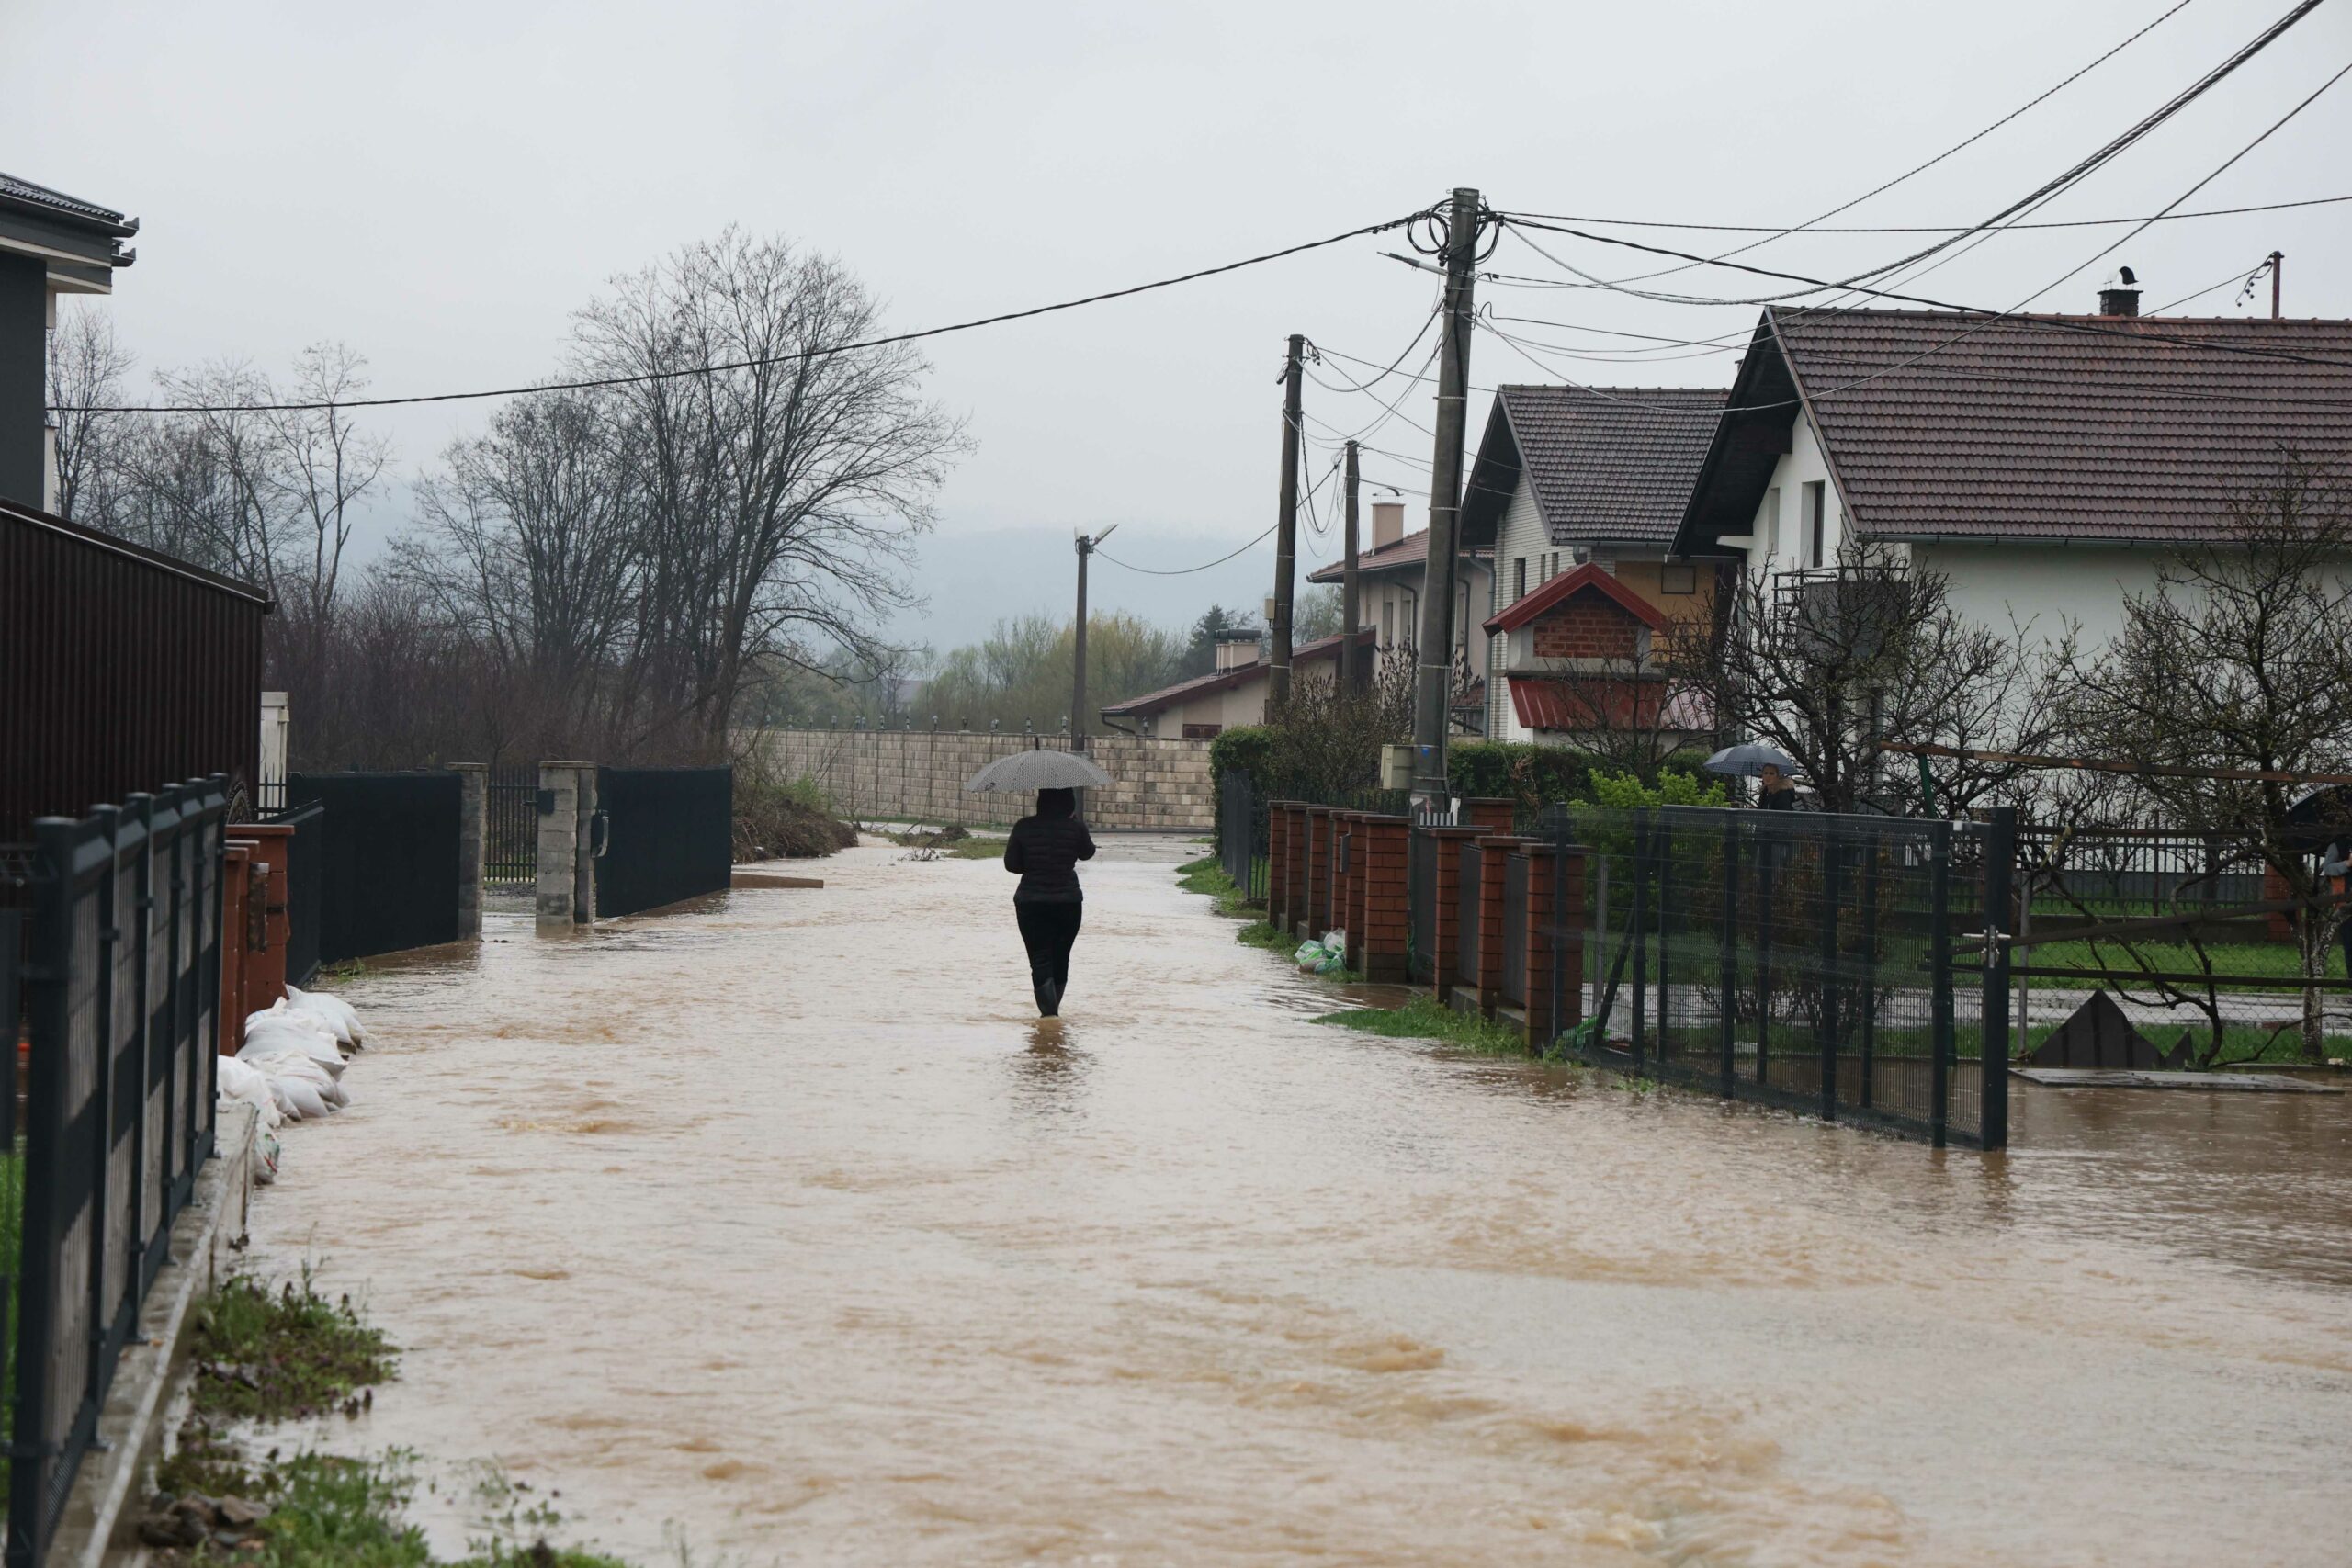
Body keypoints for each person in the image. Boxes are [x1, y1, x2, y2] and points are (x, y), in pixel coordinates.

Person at [1003, 787, 1096, 1017]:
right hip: (1068, 902)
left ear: (1041, 801)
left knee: (1040, 960)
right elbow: (1087, 853)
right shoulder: (1076, 827)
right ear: (1069, 803)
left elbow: (1012, 865)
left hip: (1031, 903)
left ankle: (1049, 1017)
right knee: (1061, 958)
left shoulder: (1023, 827)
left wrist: (1034, 861)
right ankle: (1053, 1021)